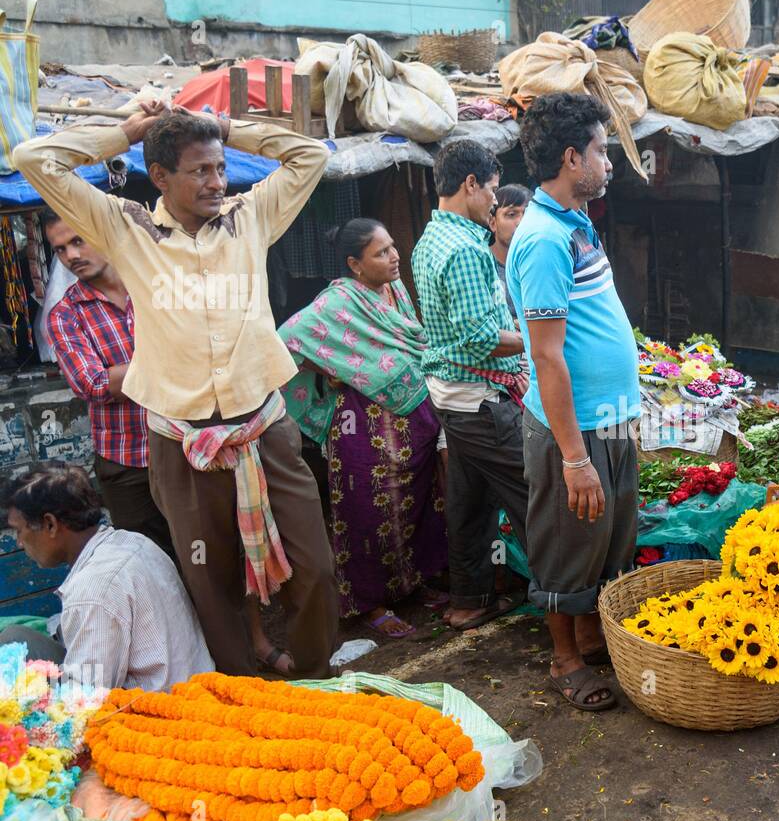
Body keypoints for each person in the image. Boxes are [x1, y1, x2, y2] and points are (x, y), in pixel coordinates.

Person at [15, 102, 339, 679]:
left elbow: (310, 153)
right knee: (209, 580)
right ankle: (241, 694)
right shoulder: (125, 227)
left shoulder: (251, 215)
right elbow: (33, 157)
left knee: (313, 566)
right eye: (201, 171)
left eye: (220, 168)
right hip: (182, 443)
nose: (217, 181)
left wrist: (227, 128)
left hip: (265, 428)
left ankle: (317, 679)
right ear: (160, 177)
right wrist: (128, 131)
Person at [508, 92, 640, 712]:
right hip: (575, 430)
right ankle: (564, 661)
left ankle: (590, 639)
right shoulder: (540, 241)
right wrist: (573, 457)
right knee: (566, 542)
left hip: (609, 421)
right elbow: (546, 356)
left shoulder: (573, 222)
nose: (608, 161)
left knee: (607, 537)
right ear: (570, 158)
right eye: (599, 149)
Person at [280, 218, 450, 636]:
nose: (394, 257)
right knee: (367, 517)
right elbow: (285, 340)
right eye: (382, 252)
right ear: (355, 264)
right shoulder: (337, 303)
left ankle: (412, 584)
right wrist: (329, 370)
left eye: (393, 247)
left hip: (415, 424)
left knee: (418, 507)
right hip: (364, 430)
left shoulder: (395, 290)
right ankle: (369, 603)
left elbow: (410, 344)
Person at [412, 140, 529, 632]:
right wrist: (535, 339)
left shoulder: (430, 239)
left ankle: (470, 601)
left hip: (454, 399)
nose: (494, 202)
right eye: (494, 191)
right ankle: (575, 610)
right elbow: (480, 338)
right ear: (471, 185)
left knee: (469, 503)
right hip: (481, 401)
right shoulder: (465, 250)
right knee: (538, 497)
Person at [0, 463, 213, 692]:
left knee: (12, 659)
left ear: (50, 525)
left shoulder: (92, 590)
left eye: (19, 531)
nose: (19, 543)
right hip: (190, 682)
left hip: (162, 710)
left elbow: (87, 700)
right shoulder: (134, 541)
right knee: (15, 636)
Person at [40, 209, 173, 557]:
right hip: (126, 462)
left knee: (205, 554)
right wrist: (171, 358)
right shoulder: (65, 315)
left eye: (78, 241)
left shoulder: (156, 284)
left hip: (185, 445)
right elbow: (94, 384)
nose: (71, 256)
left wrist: (126, 371)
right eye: (60, 249)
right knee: (150, 562)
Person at [489, 184, 533, 322]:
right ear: (492, 223)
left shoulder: (538, 263)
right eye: (511, 214)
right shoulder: (482, 266)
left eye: (528, 214)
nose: (521, 222)